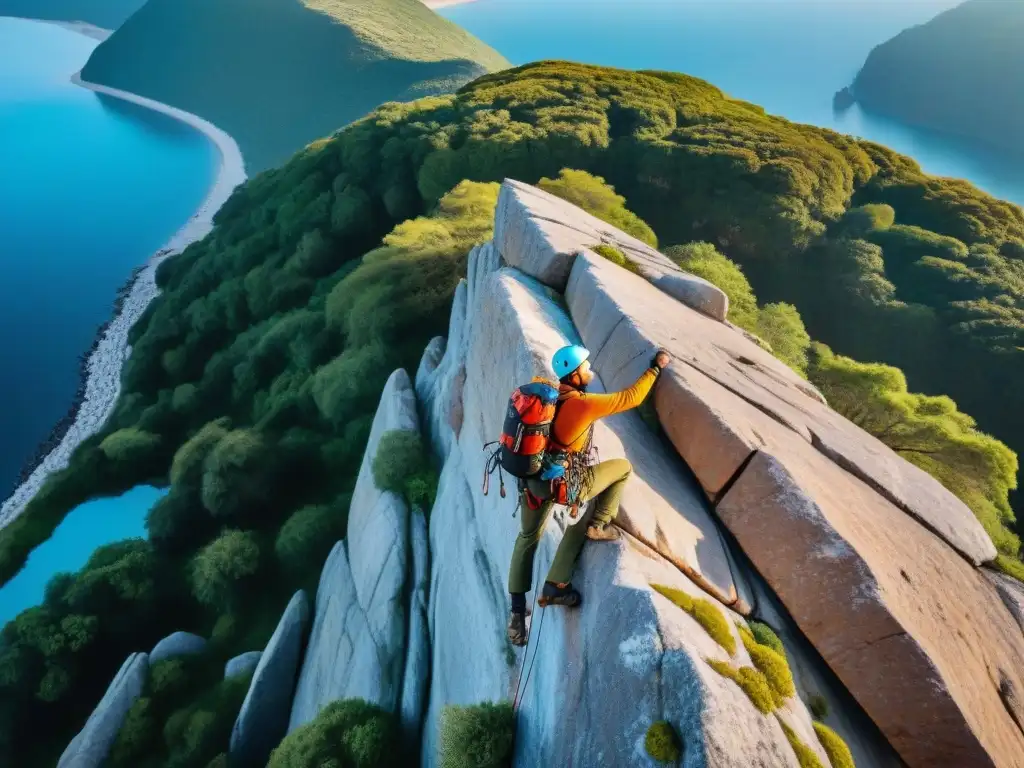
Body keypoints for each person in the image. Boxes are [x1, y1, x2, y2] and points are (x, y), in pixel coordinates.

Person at [506, 344, 672, 646]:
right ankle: (598, 526)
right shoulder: (582, 404)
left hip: (532, 481)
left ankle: (517, 615)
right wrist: (656, 367)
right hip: (562, 485)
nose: (589, 370)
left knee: (527, 538)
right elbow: (631, 398)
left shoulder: (549, 397)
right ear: (574, 372)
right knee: (621, 468)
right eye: (585, 366)